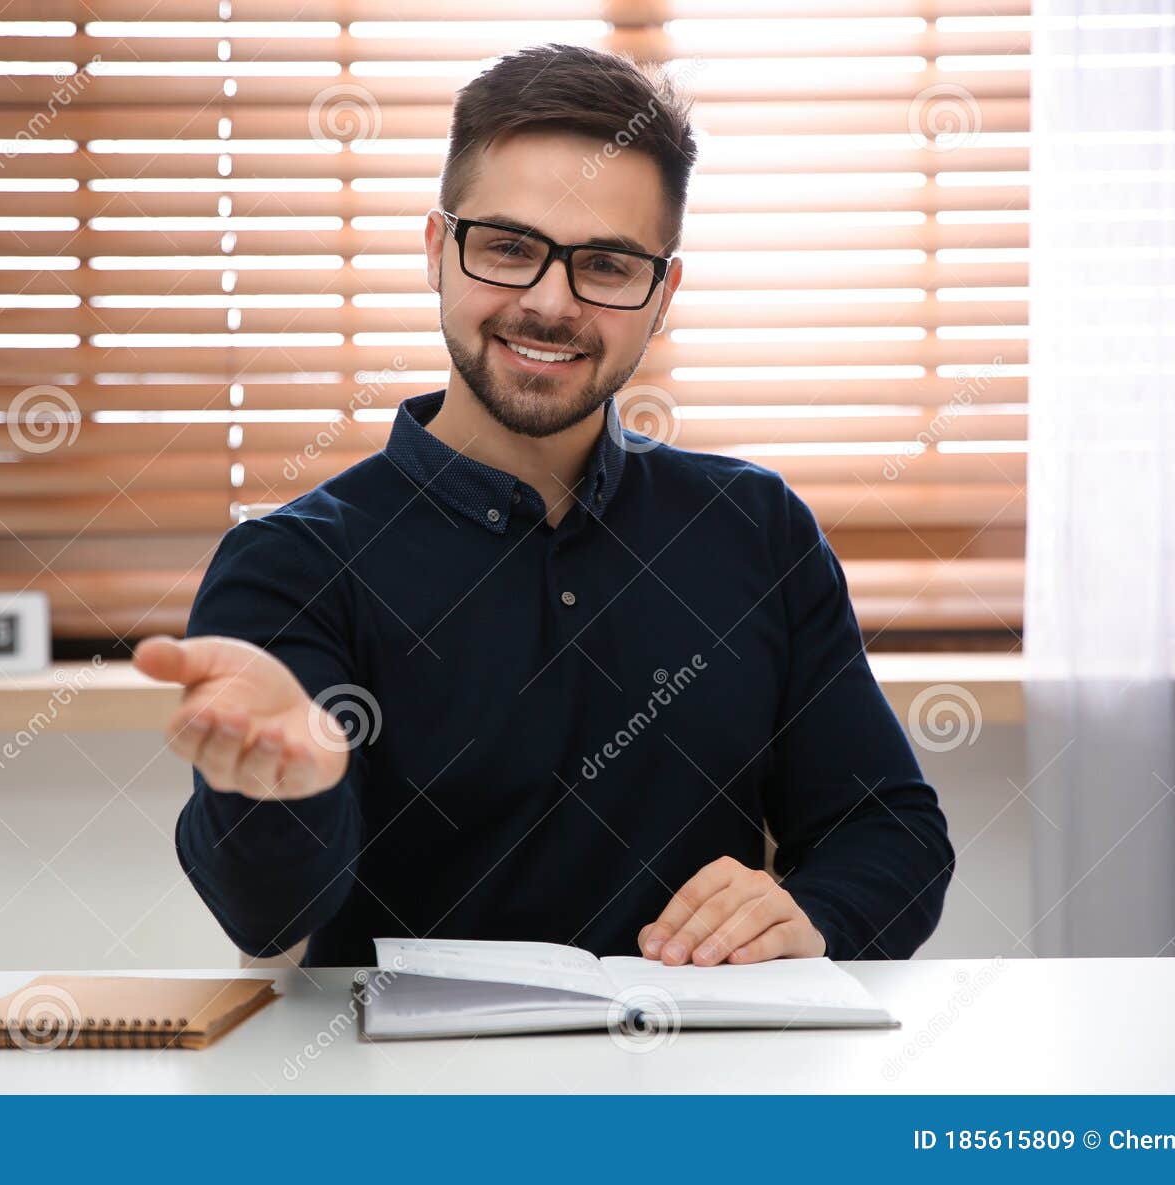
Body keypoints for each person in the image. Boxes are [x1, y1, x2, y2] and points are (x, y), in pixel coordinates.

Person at [134, 43, 953, 969]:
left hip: (700, 1086)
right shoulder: (292, 563)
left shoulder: (755, 528)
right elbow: (266, 916)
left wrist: (817, 915)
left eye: (605, 264)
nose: (550, 303)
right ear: (439, 250)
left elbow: (894, 832)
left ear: (662, 293)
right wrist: (283, 789)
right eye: (511, 248)